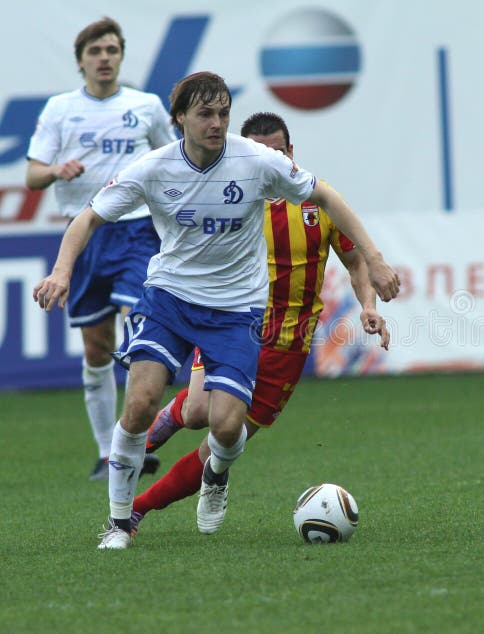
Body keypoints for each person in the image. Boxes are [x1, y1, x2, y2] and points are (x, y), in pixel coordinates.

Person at [33, 72, 400, 550]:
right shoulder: (154, 167)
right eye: (206, 113)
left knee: (226, 428)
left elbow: (326, 196)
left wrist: (374, 259)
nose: (217, 122)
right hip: (169, 298)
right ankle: (120, 522)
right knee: (140, 403)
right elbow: (89, 216)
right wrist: (62, 271)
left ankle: (217, 474)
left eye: (224, 112)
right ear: (180, 118)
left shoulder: (256, 161)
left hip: (236, 310)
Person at [129, 112, 390, 534]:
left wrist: (368, 305)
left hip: (287, 345)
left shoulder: (318, 202)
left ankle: (137, 510)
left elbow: (355, 261)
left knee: (223, 440)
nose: (271, 160)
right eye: (261, 151)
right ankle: (139, 447)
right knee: (197, 410)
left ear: (291, 153)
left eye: (279, 151)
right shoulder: (231, 198)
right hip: (230, 325)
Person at [26, 17, 175, 480]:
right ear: (81, 61)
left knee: (138, 332)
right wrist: (56, 171)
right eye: (95, 51)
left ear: (121, 56)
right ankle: (106, 452)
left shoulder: (146, 106)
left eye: (112, 49)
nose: (104, 57)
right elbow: (32, 173)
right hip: (84, 233)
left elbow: (172, 161)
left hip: (135, 230)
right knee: (96, 349)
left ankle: (133, 440)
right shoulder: (60, 110)